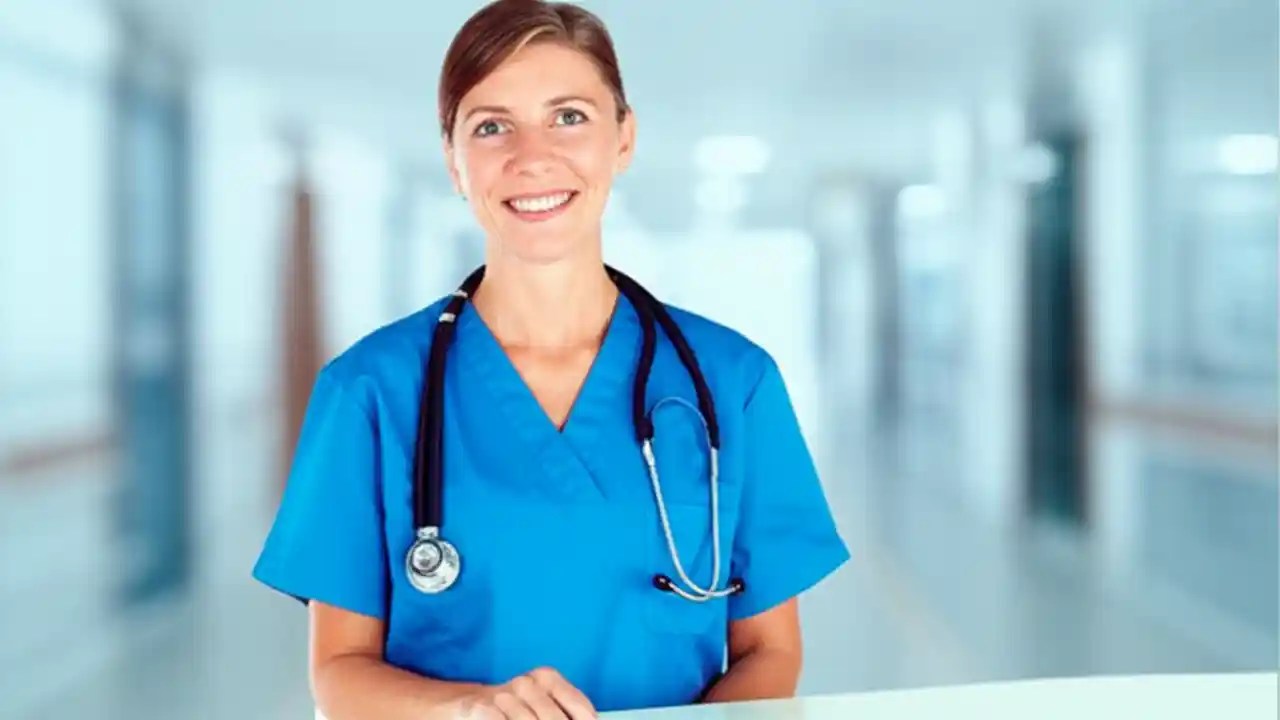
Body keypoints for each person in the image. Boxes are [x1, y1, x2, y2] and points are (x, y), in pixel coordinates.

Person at [251, 1, 850, 718]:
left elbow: (769, 653)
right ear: (454, 160)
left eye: (569, 116)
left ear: (623, 138)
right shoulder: (370, 391)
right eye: (491, 126)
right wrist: (474, 711)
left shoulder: (733, 382)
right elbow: (340, 673)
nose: (532, 157)